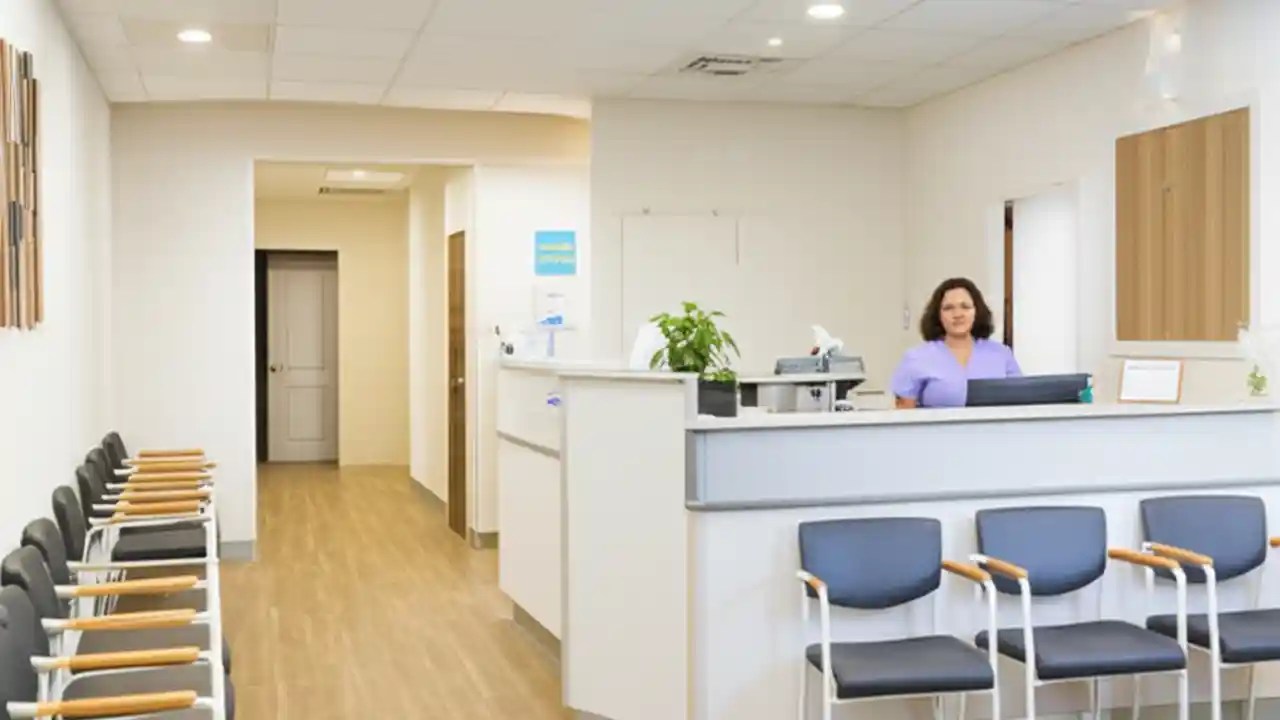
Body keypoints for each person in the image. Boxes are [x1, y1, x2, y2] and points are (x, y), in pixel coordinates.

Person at [891, 277, 1020, 408]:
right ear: (938, 315)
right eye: (948, 308)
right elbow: (903, 415)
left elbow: (1020, 403)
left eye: (965, 307)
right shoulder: (916, 357)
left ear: (977, 311)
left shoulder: (1001, 354)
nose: (958, 314)